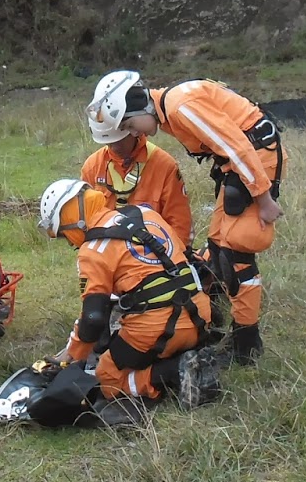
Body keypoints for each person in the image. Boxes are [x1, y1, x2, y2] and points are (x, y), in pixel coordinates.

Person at [88, 71, 284, 365]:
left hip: (255, 160)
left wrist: (264, 199)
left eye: (130, 125)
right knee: (217, 247)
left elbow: (237, 147)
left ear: (140, 107)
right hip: (239, 165)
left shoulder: (180, 108)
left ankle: (247, 343)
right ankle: (211, 310)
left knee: (236, 254)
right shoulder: (170, 109)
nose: (135, 133)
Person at [37, 178, 214, 425]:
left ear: (70, 219)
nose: (69, 242)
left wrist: (71, 357)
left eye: (64, 235)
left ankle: (174, 372)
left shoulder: (94, 250)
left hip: (157, 329)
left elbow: (92, 319)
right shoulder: (145, 213)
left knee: (107, 376)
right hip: (200, 315)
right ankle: (189, 355)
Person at [80, 112, 194, 252]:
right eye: (109, 143)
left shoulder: (164, 166)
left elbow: (180, 224)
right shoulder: (93, 167)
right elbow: (87, 224)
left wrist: (174, 259)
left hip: (154, 255)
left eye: (119, 141)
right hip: (108, 255)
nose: (115, 147)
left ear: (133, 130)